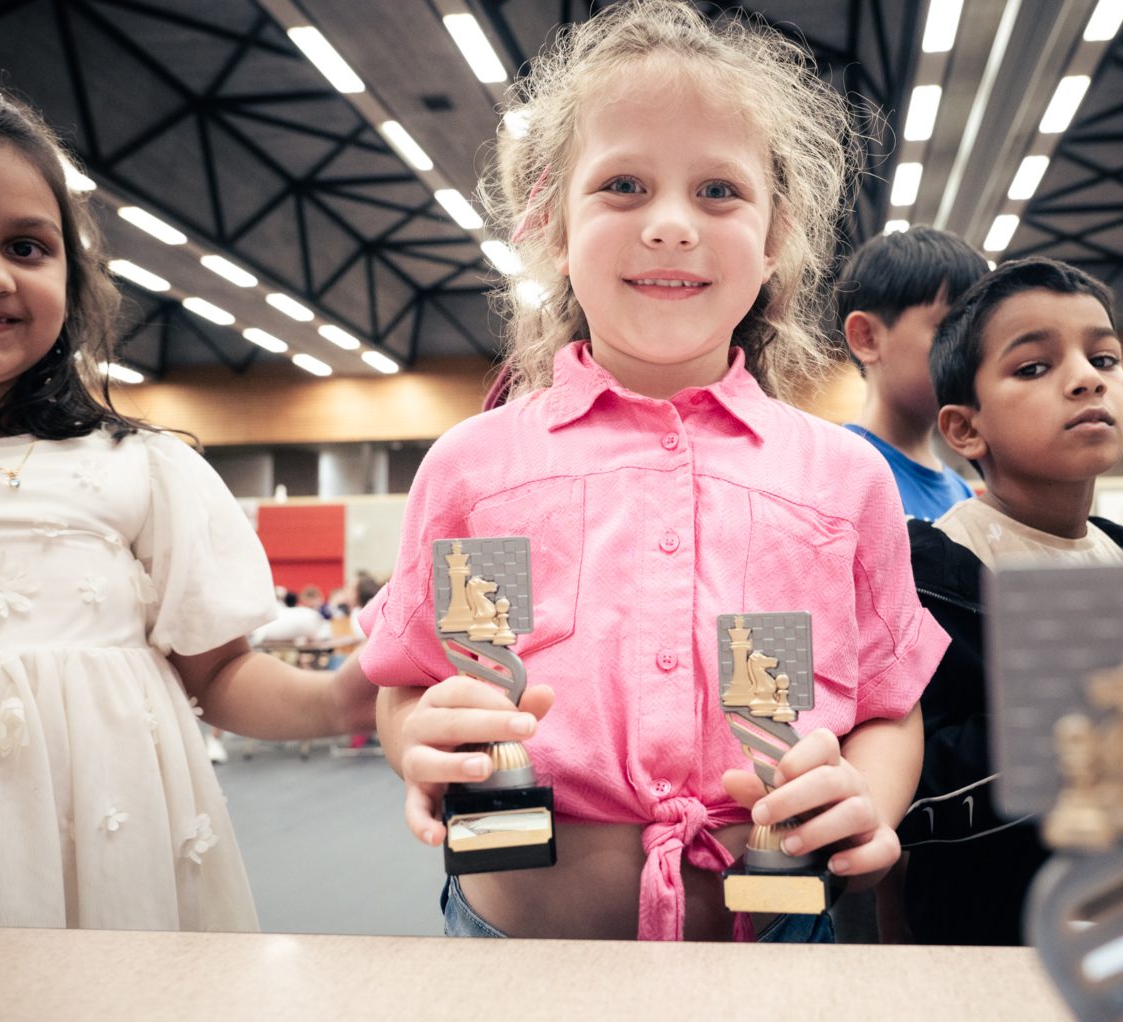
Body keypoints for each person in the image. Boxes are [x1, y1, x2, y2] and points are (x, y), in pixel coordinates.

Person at [359, 0, 947, 943]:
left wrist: (869, 800)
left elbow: (887, 707)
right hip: (515, 948)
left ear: (775, 233)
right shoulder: (475, 469)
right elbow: (408, 680)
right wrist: (416, 744)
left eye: (719, 192)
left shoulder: (843, 479)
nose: (672, 224)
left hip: (774, 942)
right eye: (624, 185)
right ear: (549, 223)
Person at [0, 80, 377, 929]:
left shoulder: (138, 467)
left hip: (118, 848)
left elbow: (218, 674)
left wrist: (345, 698)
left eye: (29, 247)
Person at [896, 257, 1123, 945]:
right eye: (1034, 367)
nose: (1087, 378)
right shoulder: (934, 574)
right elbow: (910, 790)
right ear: (965, 429)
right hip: (987, 941)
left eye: (1104, 357)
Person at [837, 226, 988, 521]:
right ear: (866, 338)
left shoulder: (963, 493)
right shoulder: (840, 473)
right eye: (950, 329)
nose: (971, 352)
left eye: (978, 334)